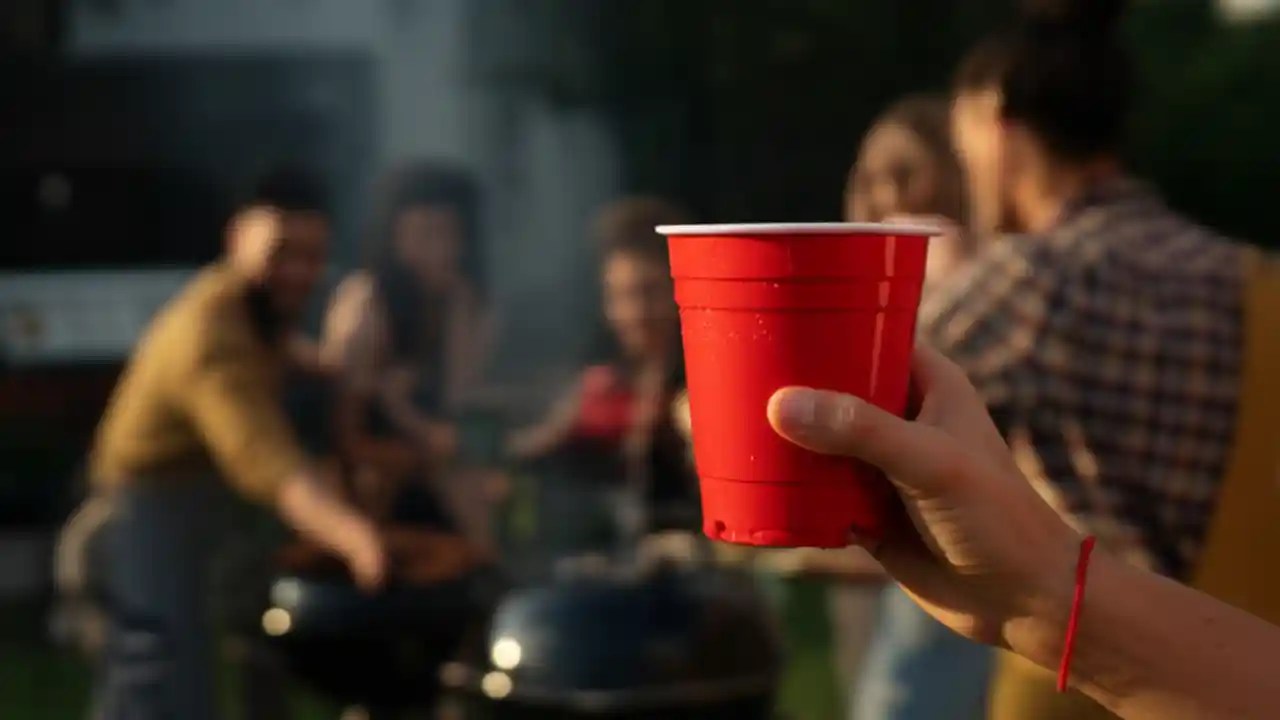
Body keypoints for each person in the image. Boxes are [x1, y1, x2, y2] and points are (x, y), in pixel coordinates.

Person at [920, 0, 1257, 715]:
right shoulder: (1249, 278)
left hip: (1092, 683)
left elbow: (866, 406)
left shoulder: (1030, 284)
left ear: (996, 119)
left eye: (963, 143)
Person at [762, 344, 1280, 720]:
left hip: (1066, 684)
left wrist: (1037, 595)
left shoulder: (1030, 279)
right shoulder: (1253, 273)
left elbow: (920, 361)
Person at [86, 167, 384, 720]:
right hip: (143, 512)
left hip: (198, 508)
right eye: (281, 252)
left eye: (312, 255)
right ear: (236, 240)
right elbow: (268, 463)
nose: (297, 271)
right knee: (161, 684)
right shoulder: (210, 337)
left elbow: (296, 358)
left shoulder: (254, 312)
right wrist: (357, 537)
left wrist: (344, 364)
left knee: (213, 665)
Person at [836, 94, 995, 720]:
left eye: (907, 172)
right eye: (872, 177)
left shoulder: (961, 260)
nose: (888, 193)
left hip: (939, 521)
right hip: (867, 518)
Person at [322, 161, 497, 552]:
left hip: (442, 477)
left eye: (450, 235)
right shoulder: (365, 308)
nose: (442, 251)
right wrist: (421, 449)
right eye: (426, 234)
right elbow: (346, 439)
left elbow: (460, 410)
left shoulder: (463, 304)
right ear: (395, 236)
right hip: (371, 491)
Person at [507, 197, 697, 545]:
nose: (635, 313)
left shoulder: (702, 382)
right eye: (620, 296)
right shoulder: (602, 384)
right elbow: (534, 450)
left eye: (649, 291)